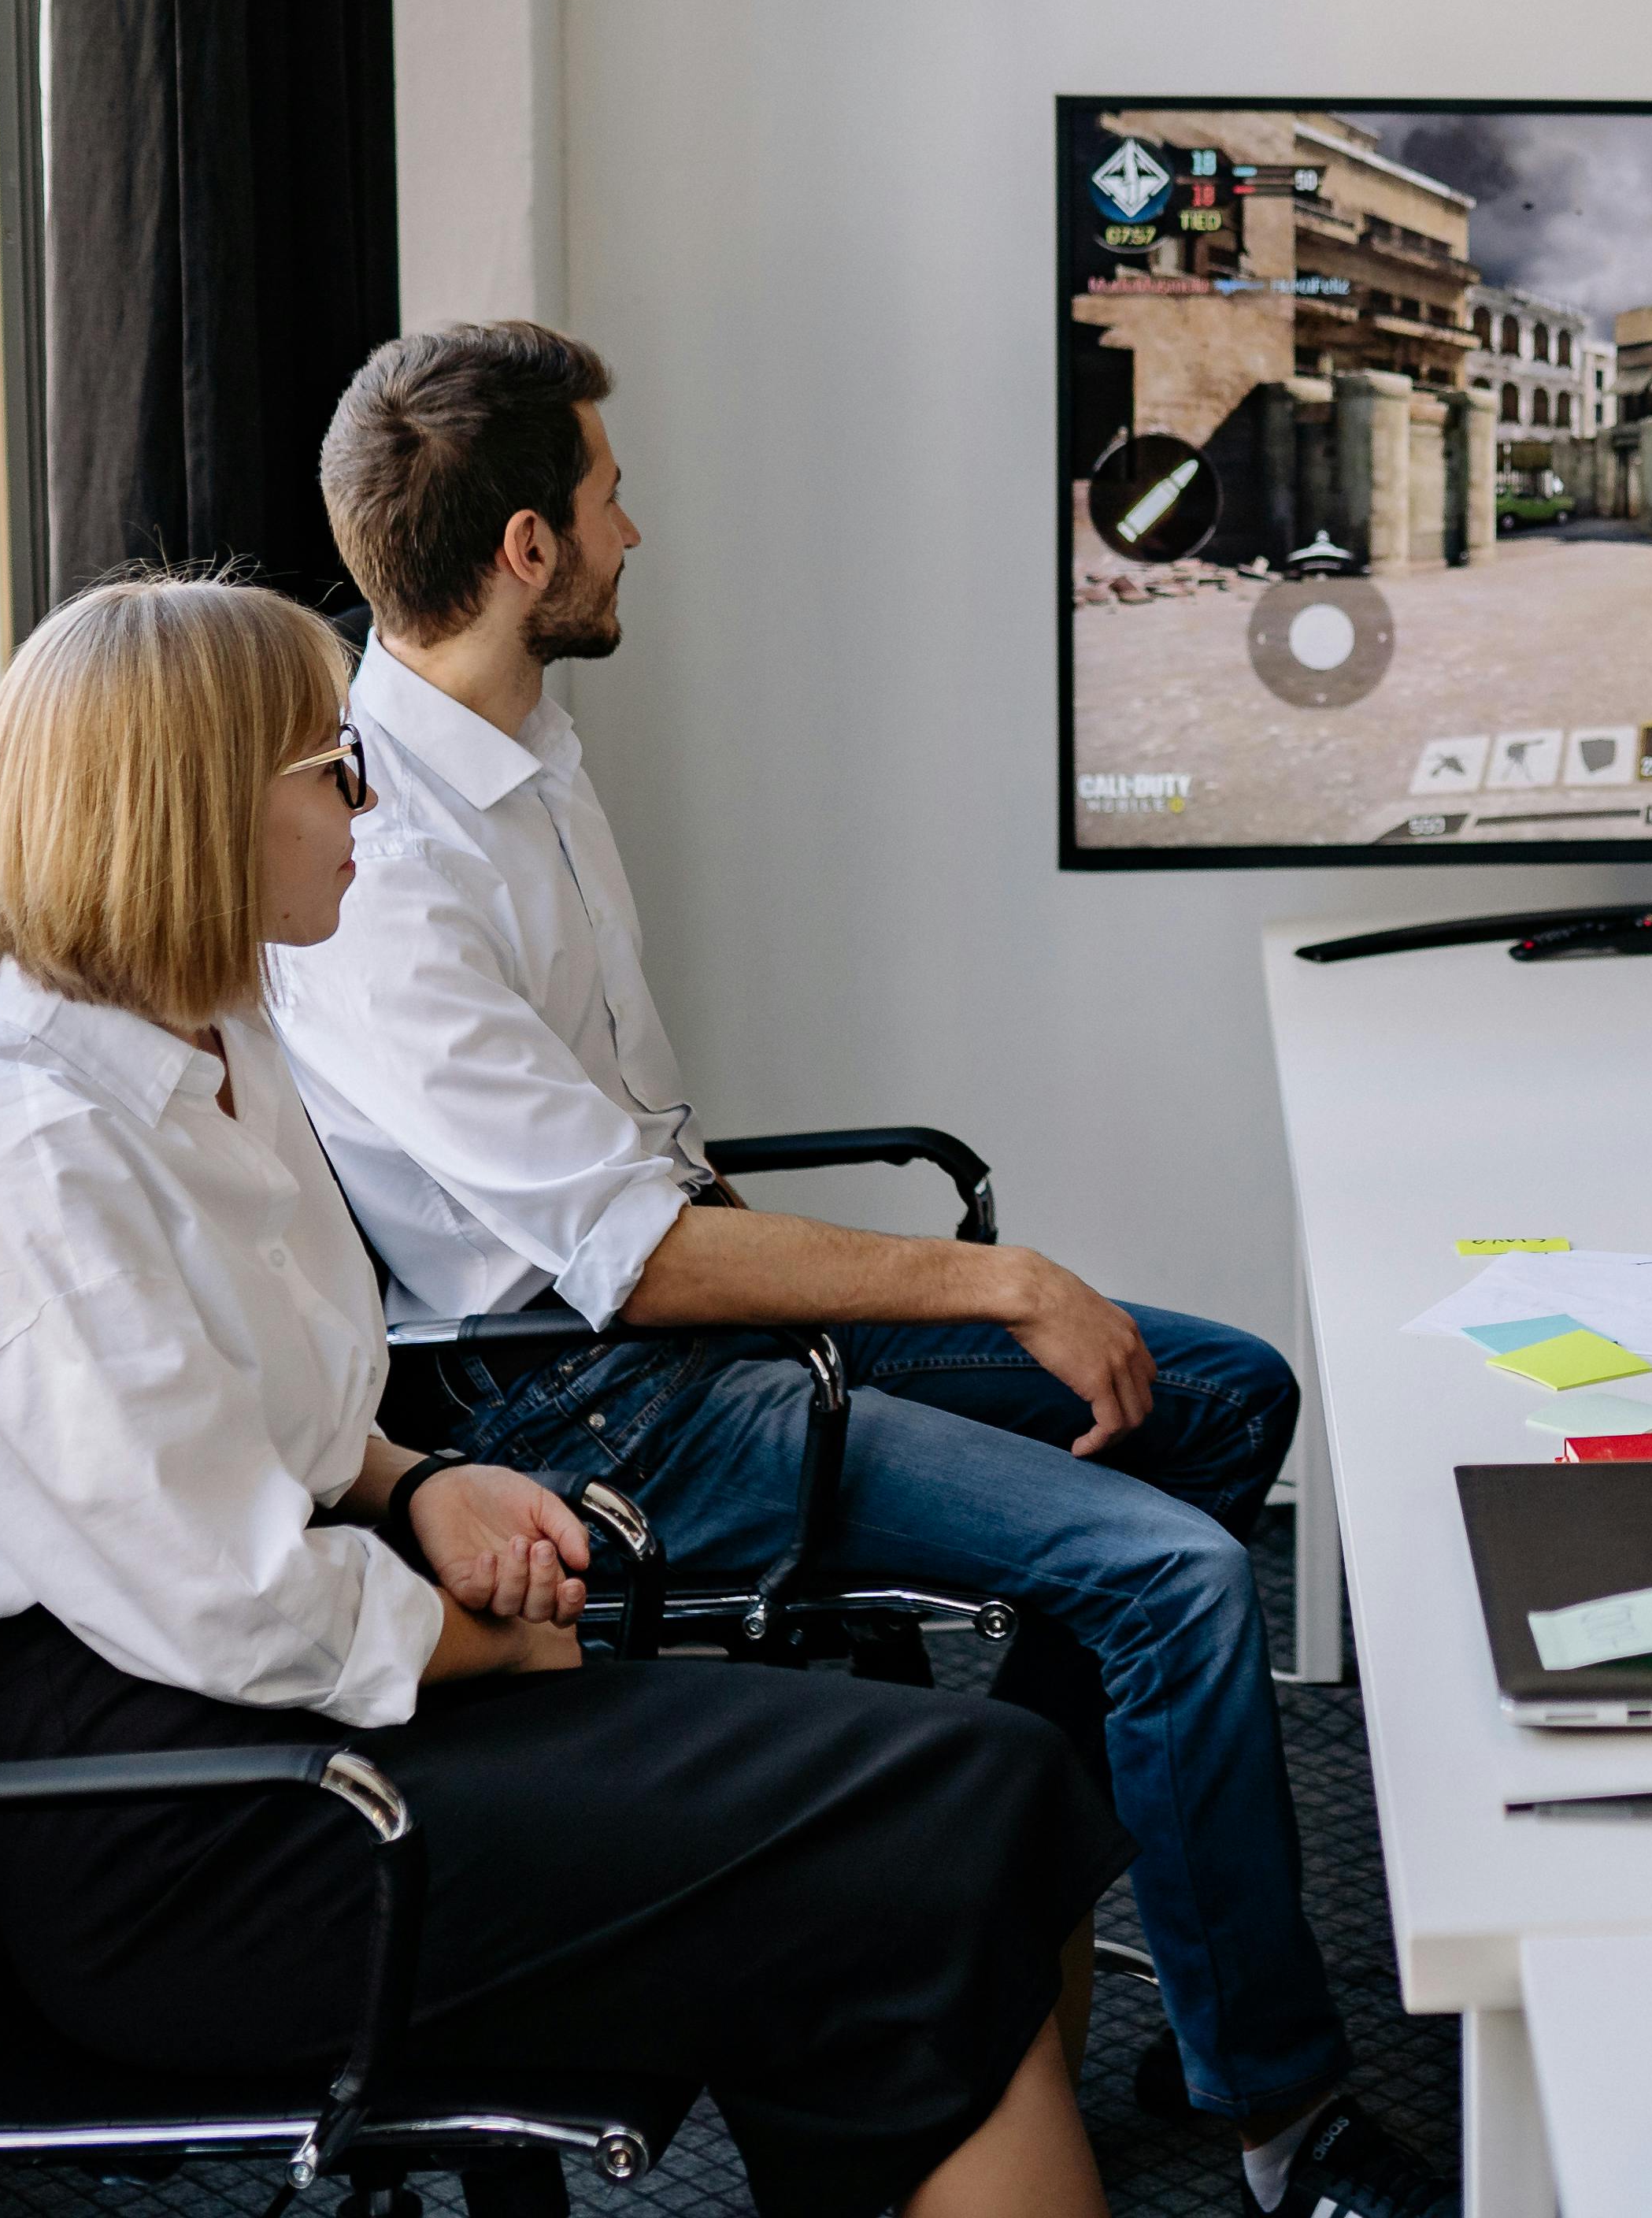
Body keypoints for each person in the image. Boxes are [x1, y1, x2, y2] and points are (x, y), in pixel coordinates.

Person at [268, 323, 1447, 2218]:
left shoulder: (520, 743)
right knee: (1176, 1577)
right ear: (524, 549)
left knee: (1222, 1394)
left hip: (675, 1317)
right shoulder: (389, 870)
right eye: (608, 496)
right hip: (593, 1403)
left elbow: (645, 1154)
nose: (636, 528)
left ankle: (1003, 1857)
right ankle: (1284, 2107)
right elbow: (631, 1257)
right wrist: (1000, 1282)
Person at [0, 575, 1124, 2218]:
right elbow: (228, 1599)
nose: (366, 801)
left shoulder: (208, 1047)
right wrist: (478, 1640)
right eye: (331, 766)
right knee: (952, 1812)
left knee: (966, 1811)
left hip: (288, 1718)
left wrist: (413, 1481)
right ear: (198, 812)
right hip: (191, 1834)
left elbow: (248, 1426)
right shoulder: (20, 1167)